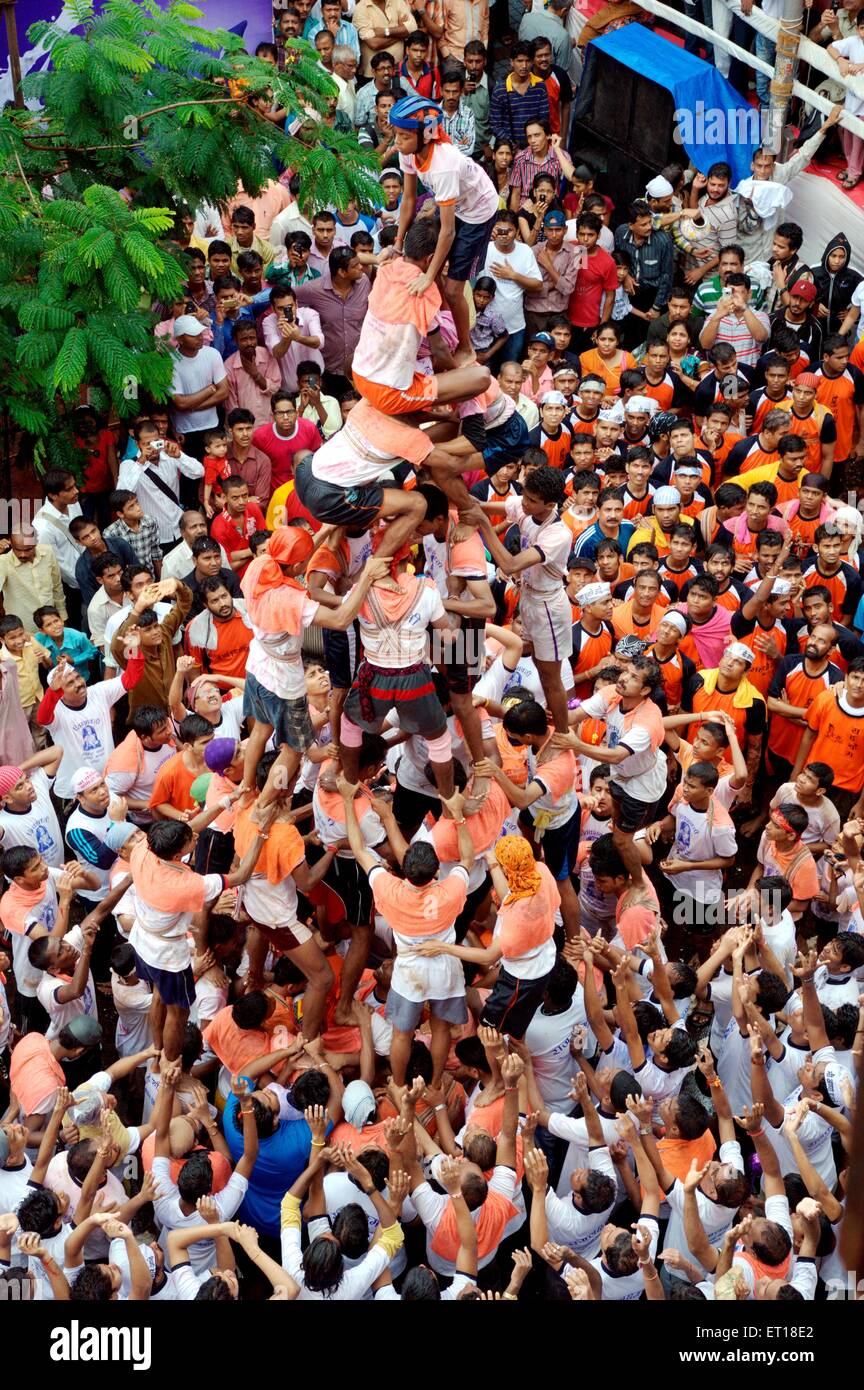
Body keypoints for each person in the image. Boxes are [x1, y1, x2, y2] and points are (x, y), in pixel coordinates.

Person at [390, 95, 500, 365]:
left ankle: (465, 345)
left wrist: (428, 277)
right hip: (452, 203)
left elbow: (449, 232)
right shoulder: (410, 154)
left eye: (404, 136)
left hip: (476, 212)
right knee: (429, 266)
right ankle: (441, 322)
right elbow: (408, 199)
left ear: (425, 136)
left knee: (452, 288)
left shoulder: (444, 165)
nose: (397, 142)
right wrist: (397, 242)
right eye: (396, 135)